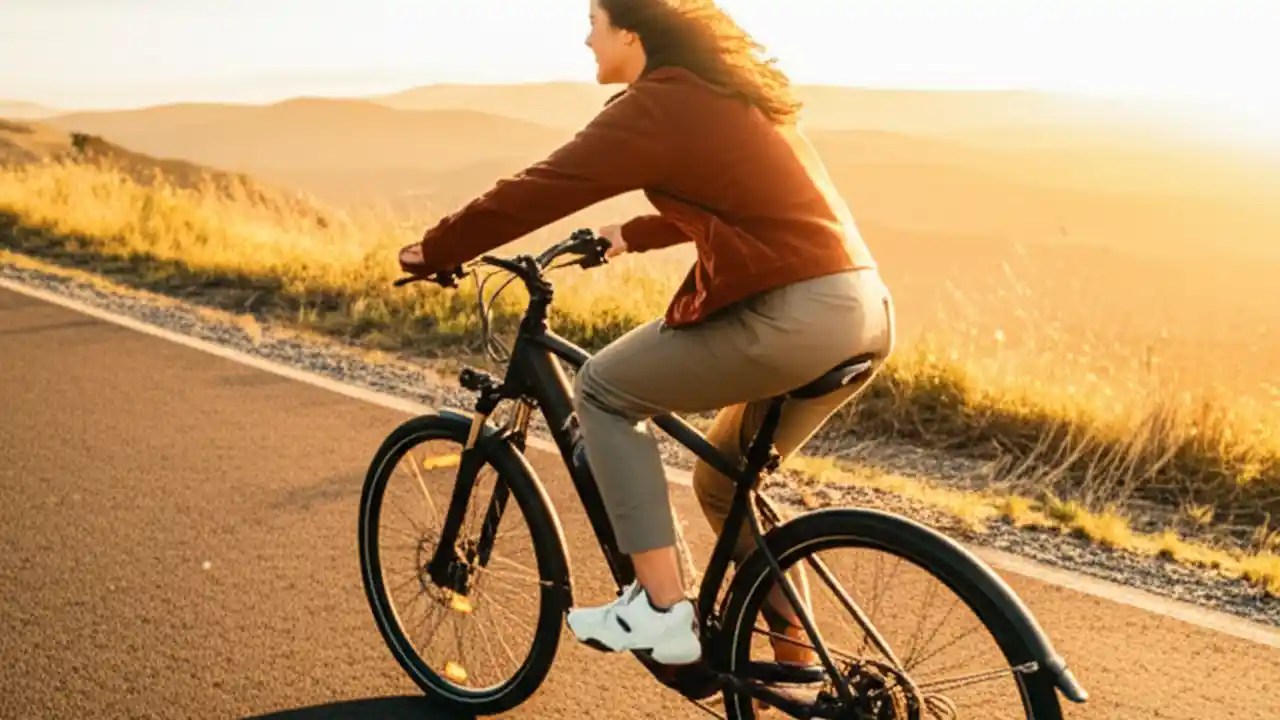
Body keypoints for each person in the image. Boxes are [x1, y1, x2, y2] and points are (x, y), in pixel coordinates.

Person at [399, 0, 895, 667]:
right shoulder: (722, 95)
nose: (585, 39)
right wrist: (629, 235)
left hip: (793, 315)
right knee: (721, 486)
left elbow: (542, 187)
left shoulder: (657, 104)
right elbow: (739, 197)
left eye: (594, 24)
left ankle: (663, 612)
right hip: (861, 309)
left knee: (603, 388)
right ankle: (800, 664)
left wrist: (437, 248)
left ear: (631, 33)